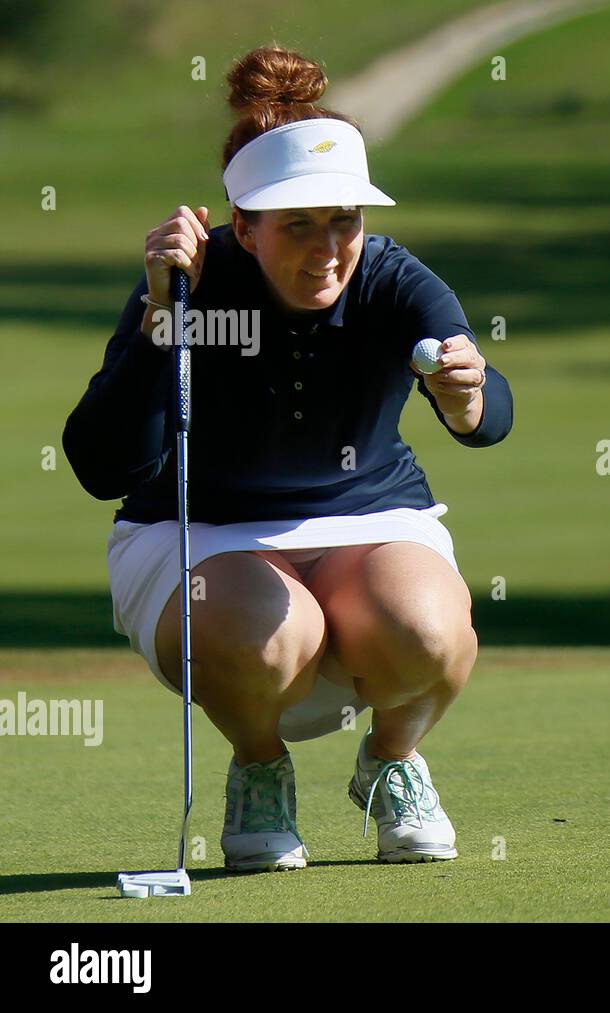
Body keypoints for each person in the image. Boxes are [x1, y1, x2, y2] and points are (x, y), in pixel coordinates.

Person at [61, 45, 512, 872]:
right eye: (298, 225)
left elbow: (487, 413)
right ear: (247, 227)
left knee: (429, 624)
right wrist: (164, 321)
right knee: (269, 630)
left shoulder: (391, 277)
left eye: (345, 220)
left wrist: (467, 395)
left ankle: (393, 760)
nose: (328, 248)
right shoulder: (189, 285)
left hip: (371, 522)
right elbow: (103, 464)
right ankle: (260, 766)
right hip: (194, 534)